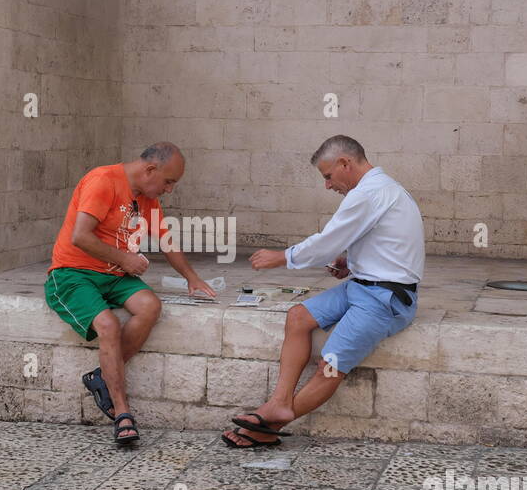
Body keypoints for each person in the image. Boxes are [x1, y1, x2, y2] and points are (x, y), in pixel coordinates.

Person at [222, 135, 424, 447]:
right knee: (298, 317)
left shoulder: (370, 193)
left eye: (328, 176)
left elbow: (328, 240)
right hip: (362, 286)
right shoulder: (379, 189)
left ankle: (265, 428)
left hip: (385, 299)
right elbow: (382, 242)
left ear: (346, 163)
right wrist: (351, 263)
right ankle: (278, 401)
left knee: (329, 365)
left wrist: (283, 257)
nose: (327, 186)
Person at [46, 142, 216, 444]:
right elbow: (80, 236)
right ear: (150, 169)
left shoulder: (146, 197)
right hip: (74, 272)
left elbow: (165, 240)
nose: (170, 190)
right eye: (168, 181)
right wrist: (125, 259)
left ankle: (101, 377)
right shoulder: (103, 181)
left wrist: (192, 278)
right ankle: (122, 411)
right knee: (108, 325)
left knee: (150, 305)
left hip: (114, 275)